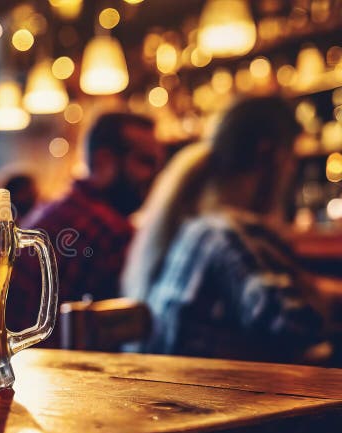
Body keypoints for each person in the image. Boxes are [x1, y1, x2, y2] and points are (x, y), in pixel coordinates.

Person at [121, 97, 325, 363]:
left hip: (171, 395)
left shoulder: (197, 226)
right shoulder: (226, 234)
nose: (291, 172)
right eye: (291, 160)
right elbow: (294, 325)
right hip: (201, 400)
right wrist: (323, 299)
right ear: (269, 155)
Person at [7, 113, 164, 332]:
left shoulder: (50, 210)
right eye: (145, 162)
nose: (156, 176)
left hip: (23, 360)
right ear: (103, 162)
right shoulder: (111, 231)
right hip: (63, 364)